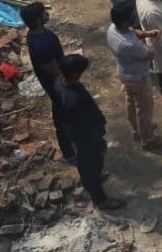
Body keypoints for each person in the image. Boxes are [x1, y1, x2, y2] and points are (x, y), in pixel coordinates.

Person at [54, 54, 126, 210]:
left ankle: (91, 179)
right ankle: (100, 200)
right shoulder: (74, 98)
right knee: (91, 164)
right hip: (86, 137)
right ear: (75, 74)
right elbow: (85, 122)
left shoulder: (59, 84)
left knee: (91, 161)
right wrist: (97, 131)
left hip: (81, 136)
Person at [21, 3, 76, 161]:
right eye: (43, 13)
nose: (46, 14)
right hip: (57, 85)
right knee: (62, 117)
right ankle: (69, 153)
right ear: (38, 19)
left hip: (56, 82)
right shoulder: (41, 45)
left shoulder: (35, 34)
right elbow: (53, 70)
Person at [107, 0, 162, 150]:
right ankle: (147, 139)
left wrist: (146, 34)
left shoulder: (113, 28)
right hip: (139, 78)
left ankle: (136, 129)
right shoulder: (130, 45)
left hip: (125, 73)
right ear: (124, 22)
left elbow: (131, 31)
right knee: (144, 109)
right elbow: (149, 55)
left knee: (131, 102)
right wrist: (148, 43)